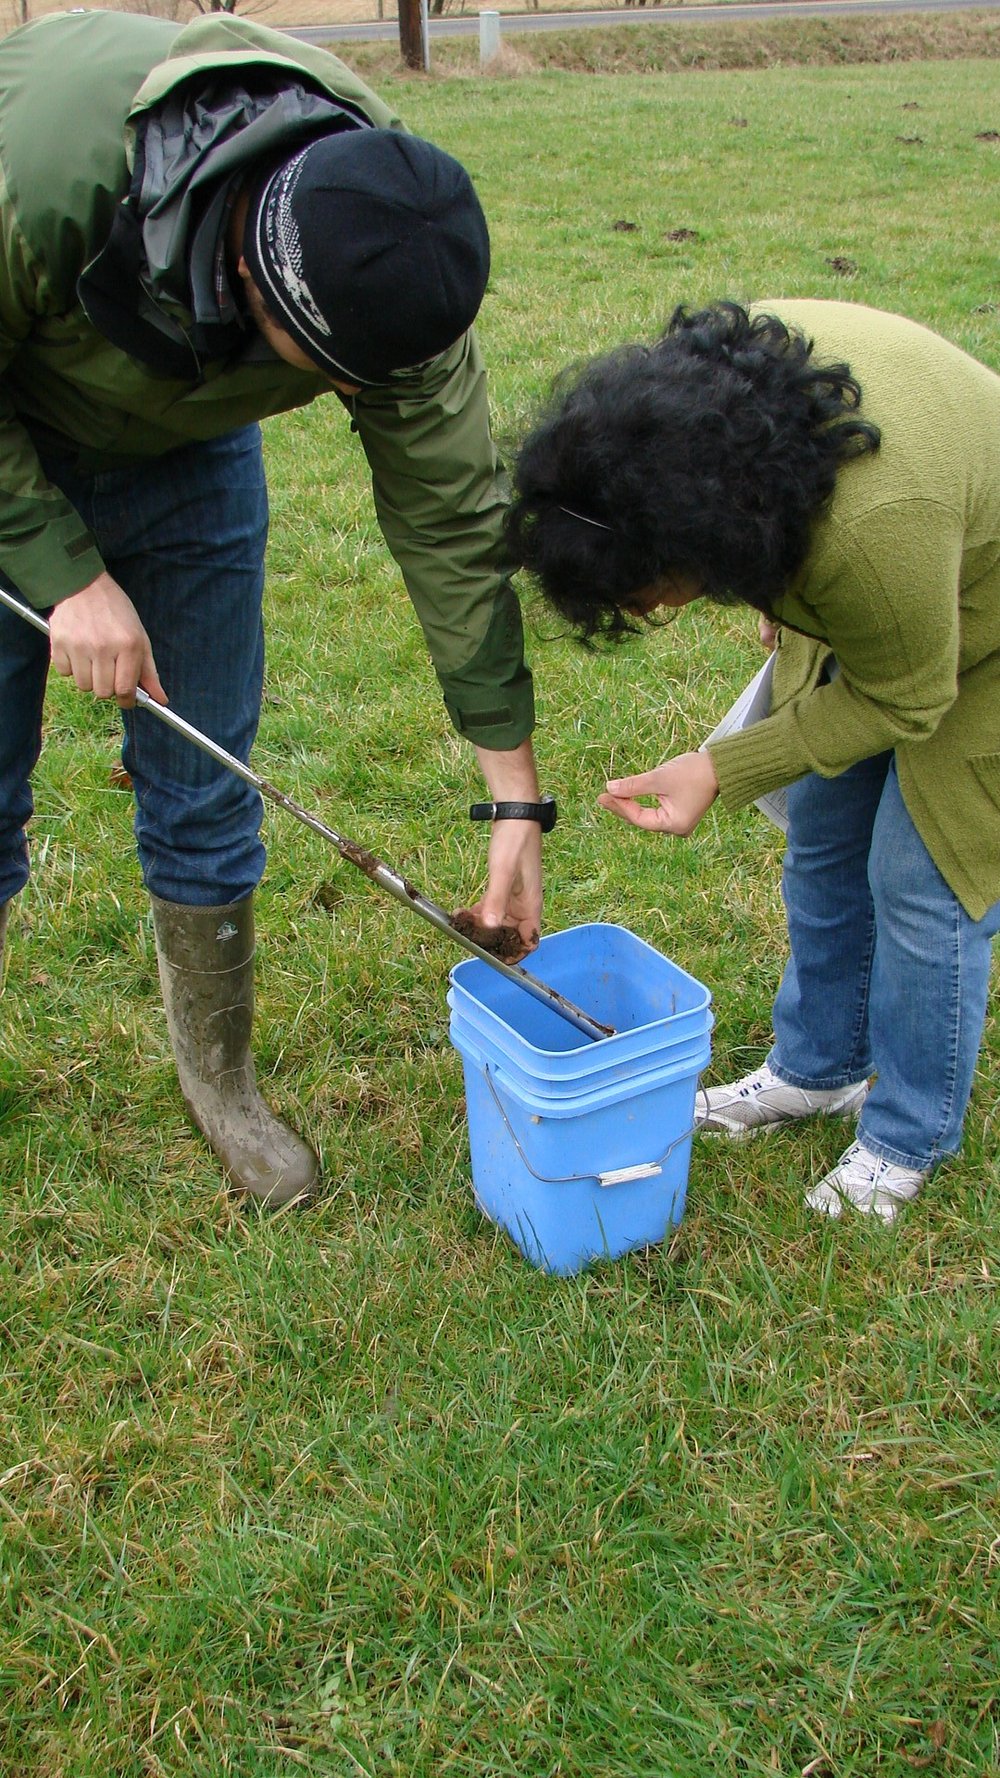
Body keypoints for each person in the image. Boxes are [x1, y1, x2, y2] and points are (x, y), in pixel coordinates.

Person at [0, 10, 549, 1208]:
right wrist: (62, 573)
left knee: (207, 784)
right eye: (332, 378)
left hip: (186, 461)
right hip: (10, 426)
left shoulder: (391, 259)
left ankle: (223, 1082)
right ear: (251, 276)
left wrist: (516, 797)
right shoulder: (50, 166)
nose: (358, 396)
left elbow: (454, 529)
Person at [505, 299, 1000, 1223]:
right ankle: (817, 1072)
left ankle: (907, 1136)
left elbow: (911, 693)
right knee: (823, 835)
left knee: (923, 876)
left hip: (981, 623)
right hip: (891, 589)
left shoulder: (867, 528)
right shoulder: (718, 428)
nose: (652, 611)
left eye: (649, 590)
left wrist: (722, 767)